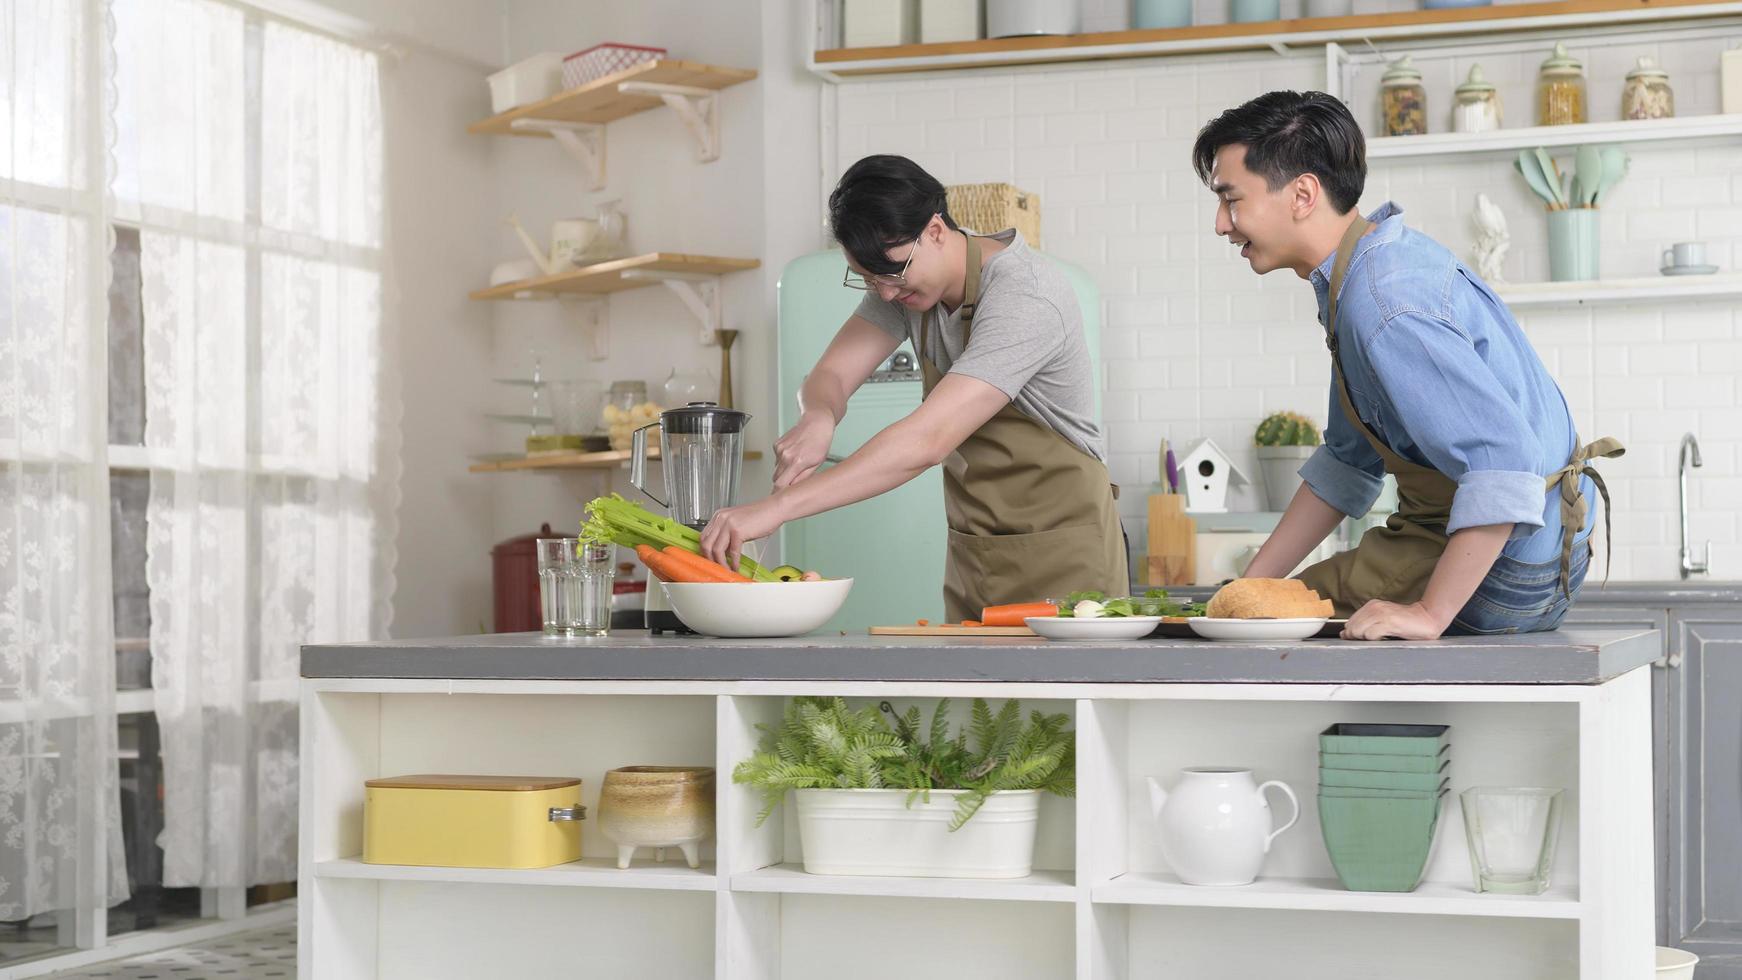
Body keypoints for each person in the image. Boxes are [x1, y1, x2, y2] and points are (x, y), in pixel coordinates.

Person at [1190, 91, 1622, 640]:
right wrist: (1238, 597)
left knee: (1288, 621)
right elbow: (1349, 463)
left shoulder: (1384, 302)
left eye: (1232, 199)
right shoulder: (1360, 277)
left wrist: (1428, 615)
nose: (1222, 224)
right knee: (1262, 608)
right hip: (1526, 561)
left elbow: (1504, 463)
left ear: (1302, 194)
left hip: (1509, 574)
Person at [700, 155, 1127, 621]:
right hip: (978, 551)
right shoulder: (904, 289)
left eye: (893, 273)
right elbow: (829, 376)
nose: (884, 293)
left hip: (1065, 554)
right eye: (868, 279)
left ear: (936, 230)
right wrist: (819, 416)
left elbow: (926, 441)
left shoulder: (1027, 297)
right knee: (973, 696)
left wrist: (777, 508)